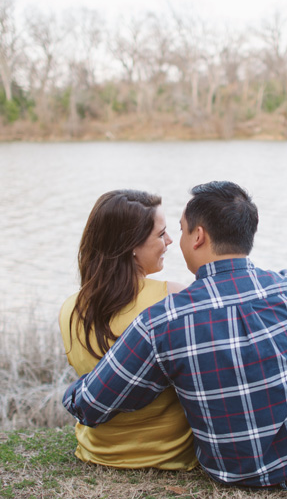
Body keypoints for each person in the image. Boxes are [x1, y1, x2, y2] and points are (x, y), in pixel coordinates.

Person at [63, 181, 287, 488]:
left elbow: (89, 405)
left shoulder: (163, 319)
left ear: (198, 236)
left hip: (233, 474)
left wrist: (79, 387)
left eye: (181, 230)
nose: (175, 240)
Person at [58, 189, 197, 470]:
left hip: (99, 451)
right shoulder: (175, 298)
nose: (170, 241)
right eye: (161, 234)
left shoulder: (70, 308)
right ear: (132, 245)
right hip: (168, 454)